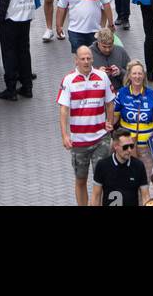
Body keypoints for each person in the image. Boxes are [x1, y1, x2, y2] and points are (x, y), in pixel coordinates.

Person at [58, 43, 115, 207]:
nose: (86, 61)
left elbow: (110, 102)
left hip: (100, 139)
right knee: (81, 180)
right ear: (76, 61)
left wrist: (109, 122)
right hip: (79, 142)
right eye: (82, 58)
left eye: (89, 58)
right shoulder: (68, 80)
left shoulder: (102, 77)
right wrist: (65, 136)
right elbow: (63, 110)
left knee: (101, 180)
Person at [113, 59, 153, 159]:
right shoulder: (121, 93)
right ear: (129, 76)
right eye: (134, 73)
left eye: (140, 73)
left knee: (148, 174)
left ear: (144, 76)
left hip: (147, 147)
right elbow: (115, 117)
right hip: (127, 147)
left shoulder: (152, 95)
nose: (137, 76)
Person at [90, 127, 149, 207]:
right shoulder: (102, 166)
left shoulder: (138, 166)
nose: (129, 150)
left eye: (131, 146)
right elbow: (96, 196)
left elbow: (145, 196)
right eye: (125, 147)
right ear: (115, 146)